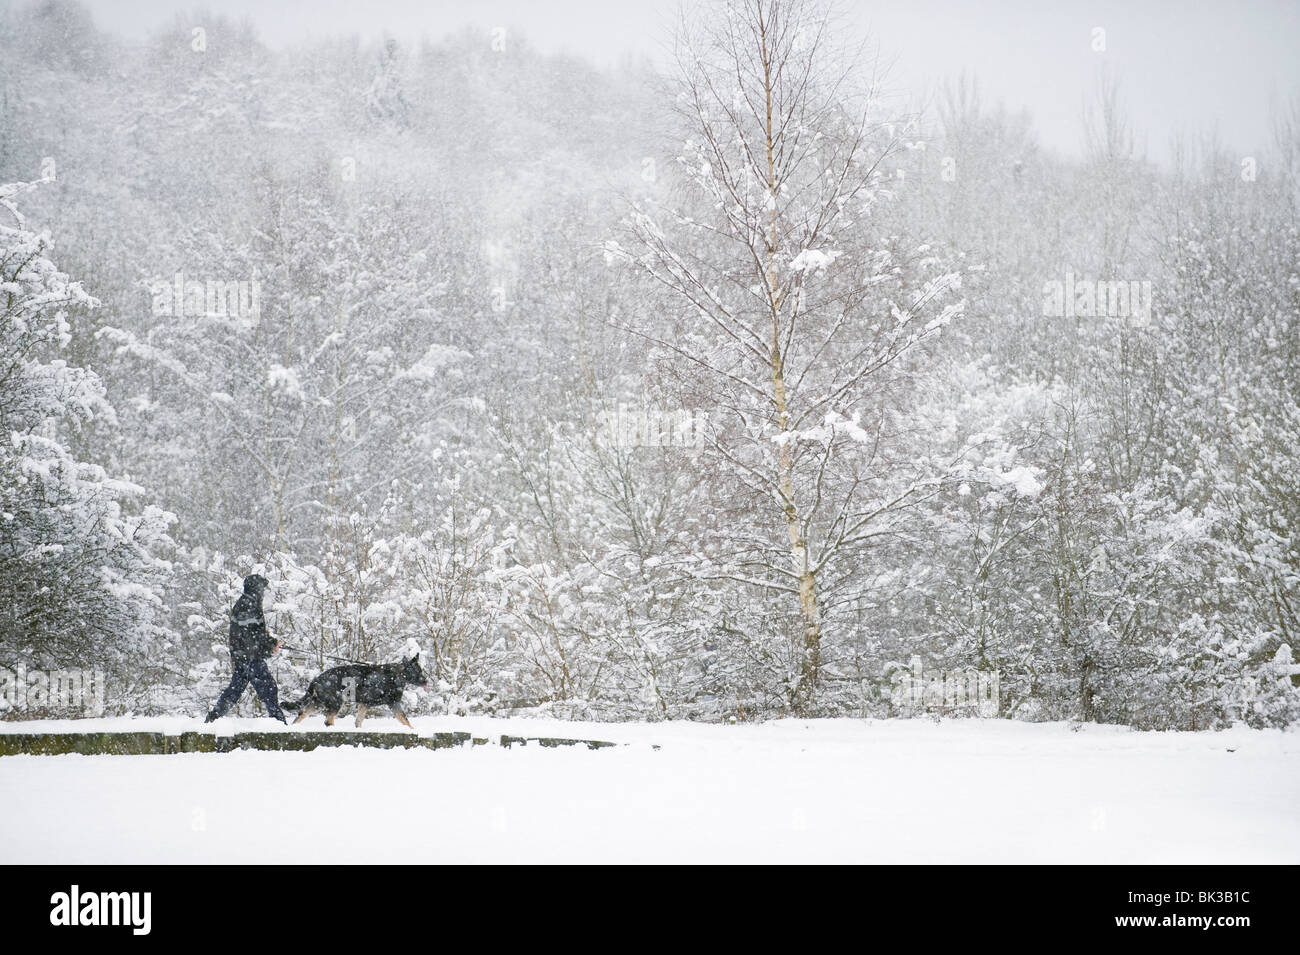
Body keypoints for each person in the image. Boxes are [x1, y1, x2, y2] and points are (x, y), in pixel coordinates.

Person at [205, 574, 287, 723]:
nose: (263, 592)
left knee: (235, 690)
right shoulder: (248, 605)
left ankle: (213, 718)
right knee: (268, 688)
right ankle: (279, 723)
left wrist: (269, 645)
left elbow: (253, 634)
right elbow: (253, 635)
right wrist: (271, 644)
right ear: (257, 588)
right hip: (249, 657)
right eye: (262, 588)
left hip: (244, 656)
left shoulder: (247, 603)